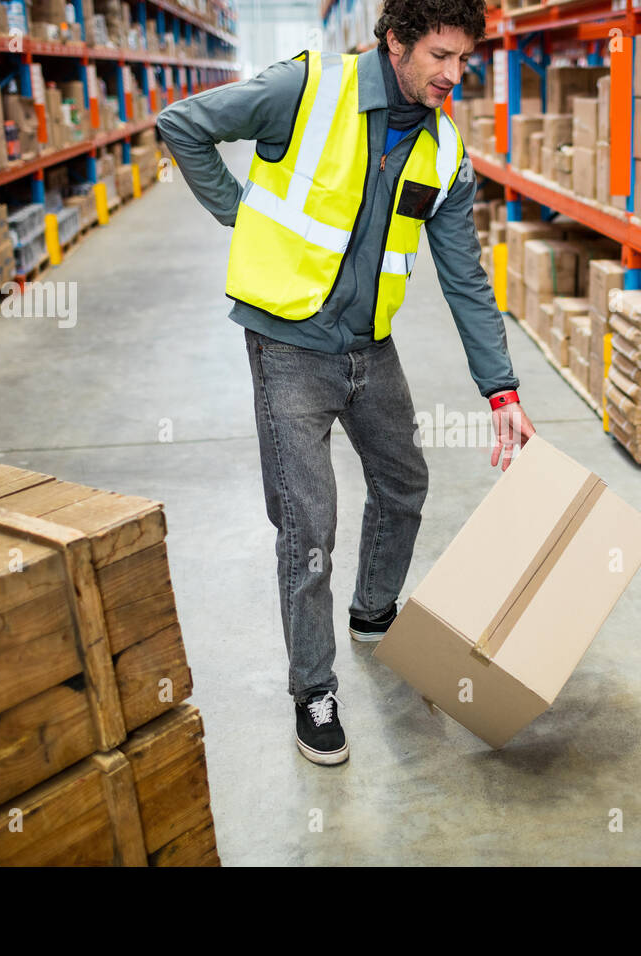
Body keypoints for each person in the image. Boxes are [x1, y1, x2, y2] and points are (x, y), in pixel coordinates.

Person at [156, 0, 536, 766]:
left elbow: (465, 277)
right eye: (437, 54)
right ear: (394, 41)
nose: (451, 75)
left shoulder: (444, 154)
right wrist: (242, 216)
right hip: (290, 346)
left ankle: (372, 613)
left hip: (371, 347)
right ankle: (313, 690)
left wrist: (502, 390)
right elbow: (183, 123)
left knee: (404, 484)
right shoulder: (307, 88)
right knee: (310, 527)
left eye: (463, 60)